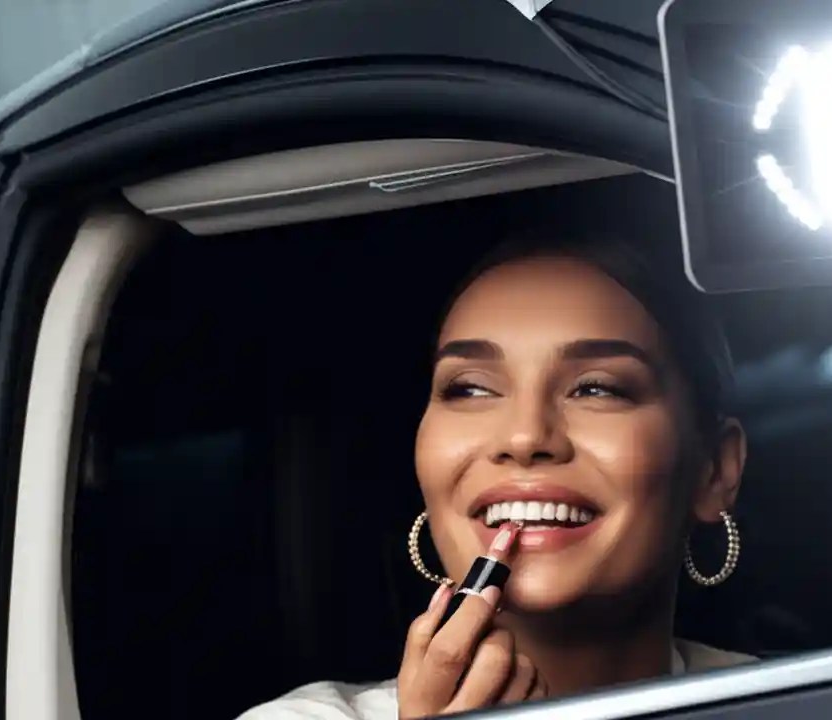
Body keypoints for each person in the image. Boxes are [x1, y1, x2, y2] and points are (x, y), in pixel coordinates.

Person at [238, 227, 752, 719]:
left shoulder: (806, 699)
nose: (525, 438)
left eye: (597, 388)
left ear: (715, 470)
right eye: (470, 388)